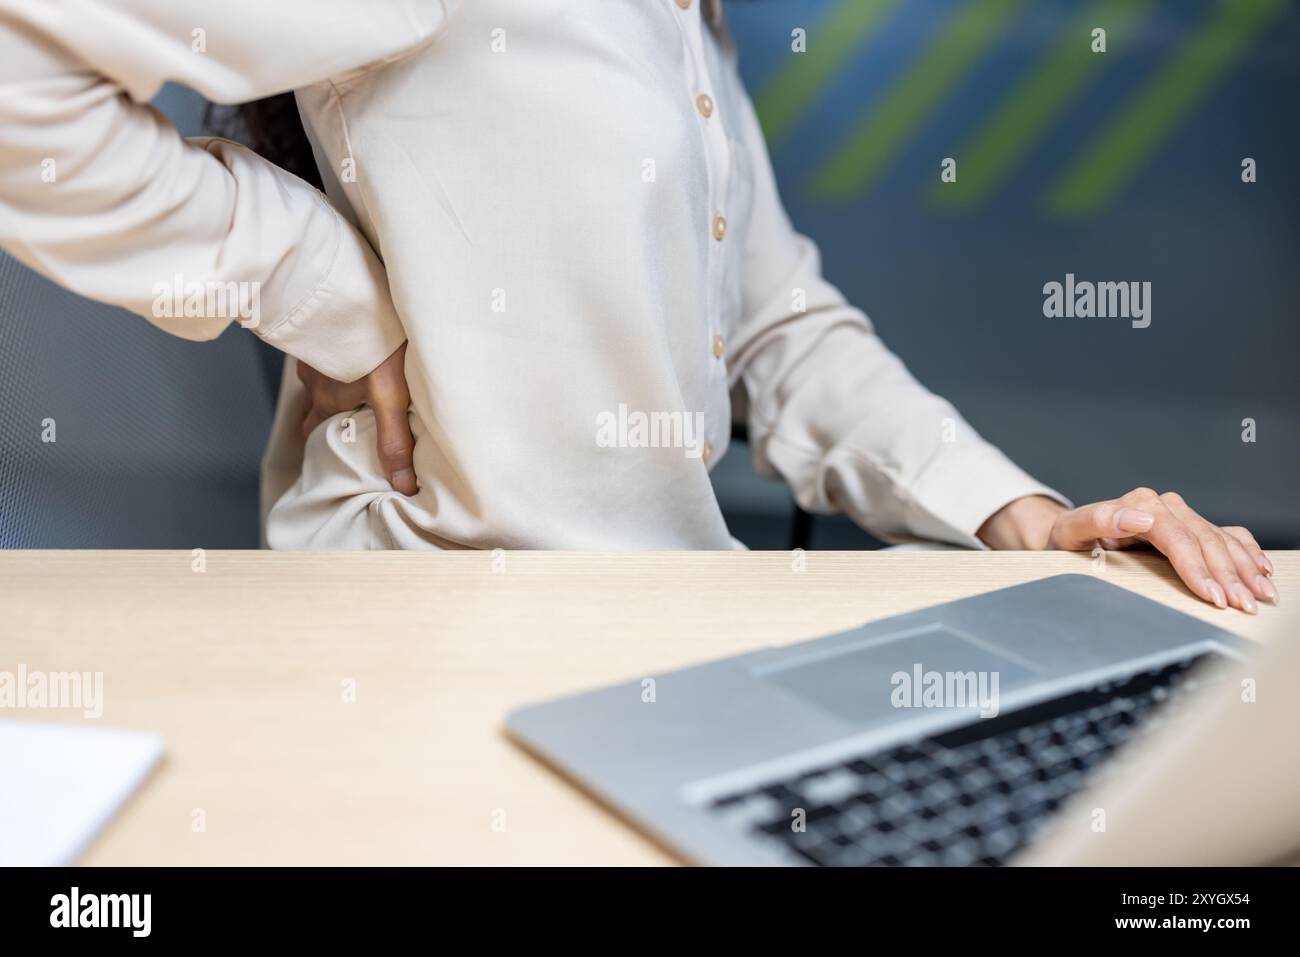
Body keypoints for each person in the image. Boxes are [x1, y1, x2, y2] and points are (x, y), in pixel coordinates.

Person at [0, 0, 1276, 612]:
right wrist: (323, 287)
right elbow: (20, 79)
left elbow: (777, 324)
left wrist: (1029, 522)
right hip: (422, 633)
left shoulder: (683, 19)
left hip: (657, 637)